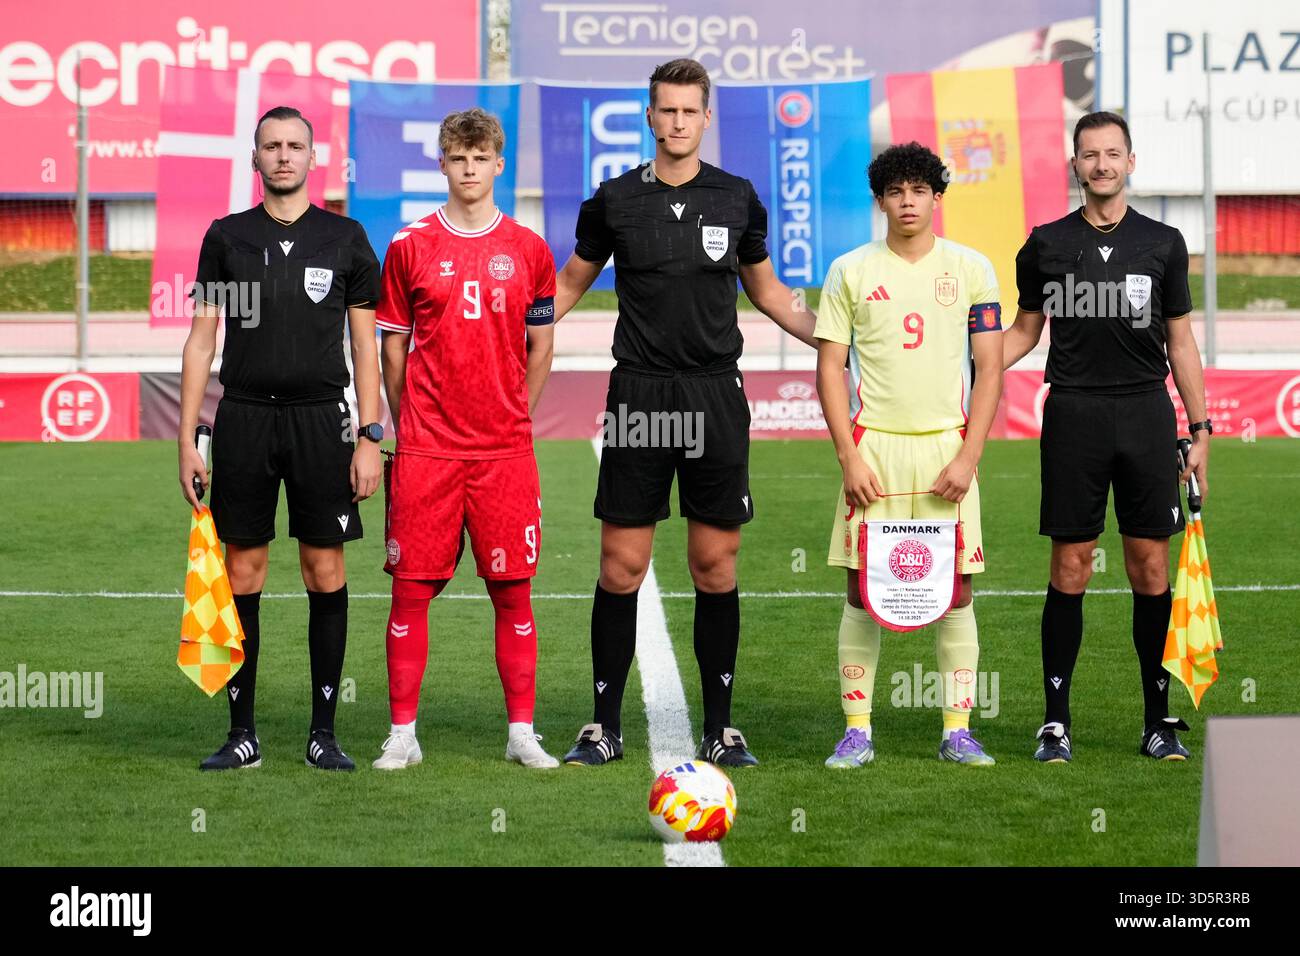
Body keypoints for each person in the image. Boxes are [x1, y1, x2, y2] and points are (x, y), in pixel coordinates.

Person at [553, 58, 817, 768]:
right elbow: (568, 285)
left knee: (715, 565)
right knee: (621, 564)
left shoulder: (737, 198)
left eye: (687, 111)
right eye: (664, 110)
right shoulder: (614, 199)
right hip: (639, 393)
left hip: (713, 394)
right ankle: (602, 726)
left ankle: (721, 728)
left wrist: (836, 335)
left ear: (705, 118)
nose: (675, 122)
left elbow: (767, 290)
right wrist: (504, 331)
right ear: (649, 117)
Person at [179, 105, 383, 771]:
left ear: (313, 157)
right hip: (244, 418)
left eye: (296, 145)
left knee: (324, 569)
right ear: (256, 157)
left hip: (323, 419)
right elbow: (202, 338)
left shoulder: (346, 237)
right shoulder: (227, 237)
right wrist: (186, 438)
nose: (285, 156)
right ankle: (243, 733)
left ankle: (324, 732)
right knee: (244, 570)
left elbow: (364, 345)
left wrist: (370, 435)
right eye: (273, 146)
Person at [1004, 111, 1211, 763]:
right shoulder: (1045, 244)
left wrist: (1200, 427)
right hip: (1074, 416)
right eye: (1089, 154)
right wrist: (970, 360)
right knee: (1070, 565)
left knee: (1150, 567)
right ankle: (1056, 724)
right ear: (1075, 164)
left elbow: (1181, 339)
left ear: (1130, 161)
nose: (1101, 164)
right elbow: (1023, 332)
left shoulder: (1164, 243)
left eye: (1112, 153)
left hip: (1148, 415)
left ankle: (1158, 721)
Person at [370, 108, 560, 771]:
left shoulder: (531, 250)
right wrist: (407, 422)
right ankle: (402, 734)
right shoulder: (409, 246)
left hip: (504, 452)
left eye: (481, 158)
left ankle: (521, 734)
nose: (470, 168)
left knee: (513, 593)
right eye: (458, 158)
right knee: (410, 590)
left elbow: (542, 346)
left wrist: (518, 415)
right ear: (443, 164)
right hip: (427, 452)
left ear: (498, 165)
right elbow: (392, 349)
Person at [815, 142, 1004, 768]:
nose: (906, 202)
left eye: (918, 190)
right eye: (895, 191)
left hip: (947, 450)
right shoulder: (849, 270)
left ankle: (957, 731)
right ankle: (857, 731)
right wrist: (849, 458)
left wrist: (968, 457)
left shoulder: (973, 269)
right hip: (875, 450)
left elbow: (990, 367)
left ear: (936, 197)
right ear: (880, 200)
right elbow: (830, 368)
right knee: (861, 590)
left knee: (956, 593)